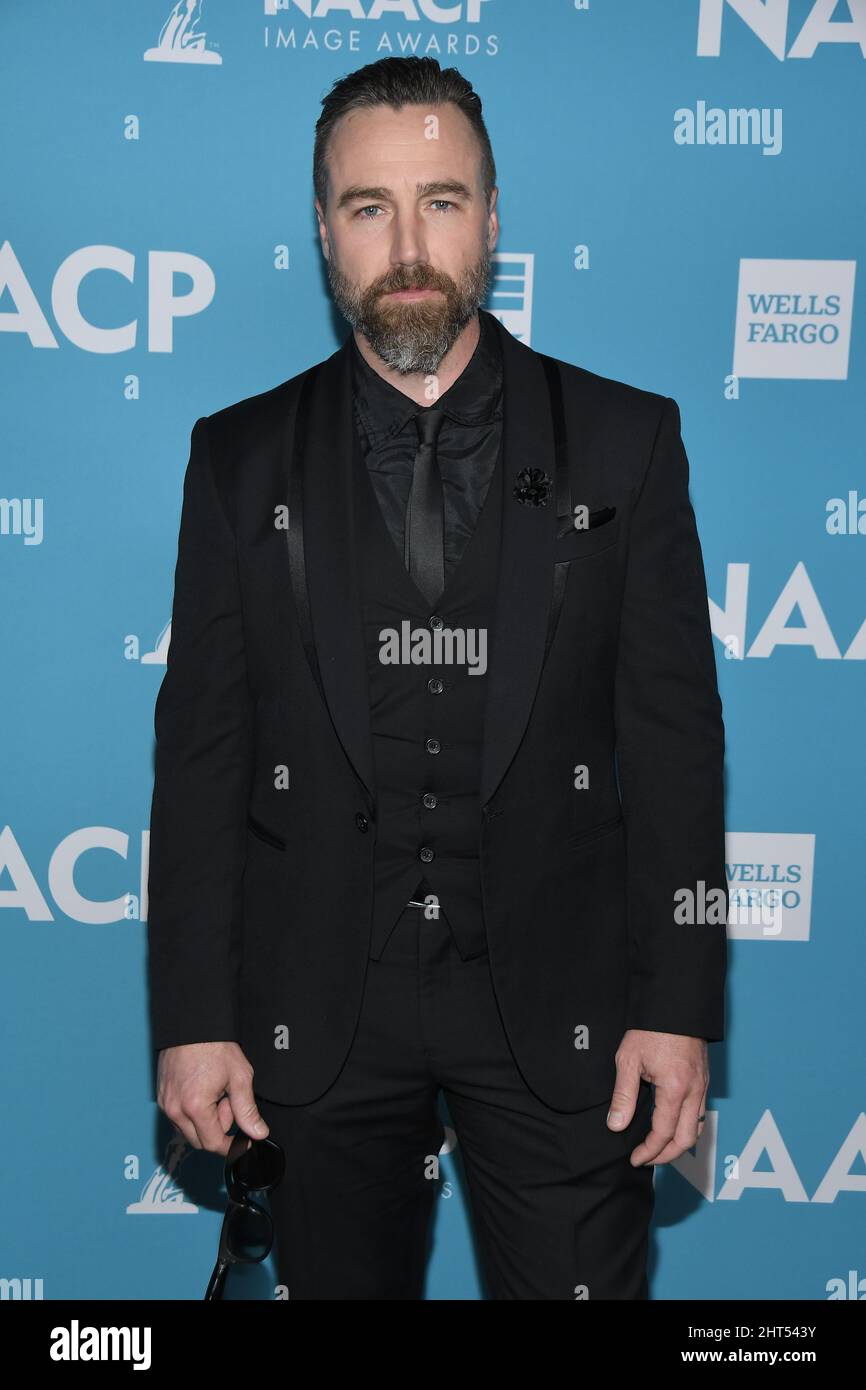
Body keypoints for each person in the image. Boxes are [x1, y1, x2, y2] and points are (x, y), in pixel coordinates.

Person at [147, 55, 728, 1300]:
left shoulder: (628, 441)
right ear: (322, 230)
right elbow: (201, 756)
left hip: (562, 1012)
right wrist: (192, 1015)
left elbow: (674, 746)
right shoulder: (237, 461)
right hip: (313, 1011)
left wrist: (677, 1005)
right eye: (369, 208)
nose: (407, 244)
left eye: (441, 201)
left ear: (493, 216)